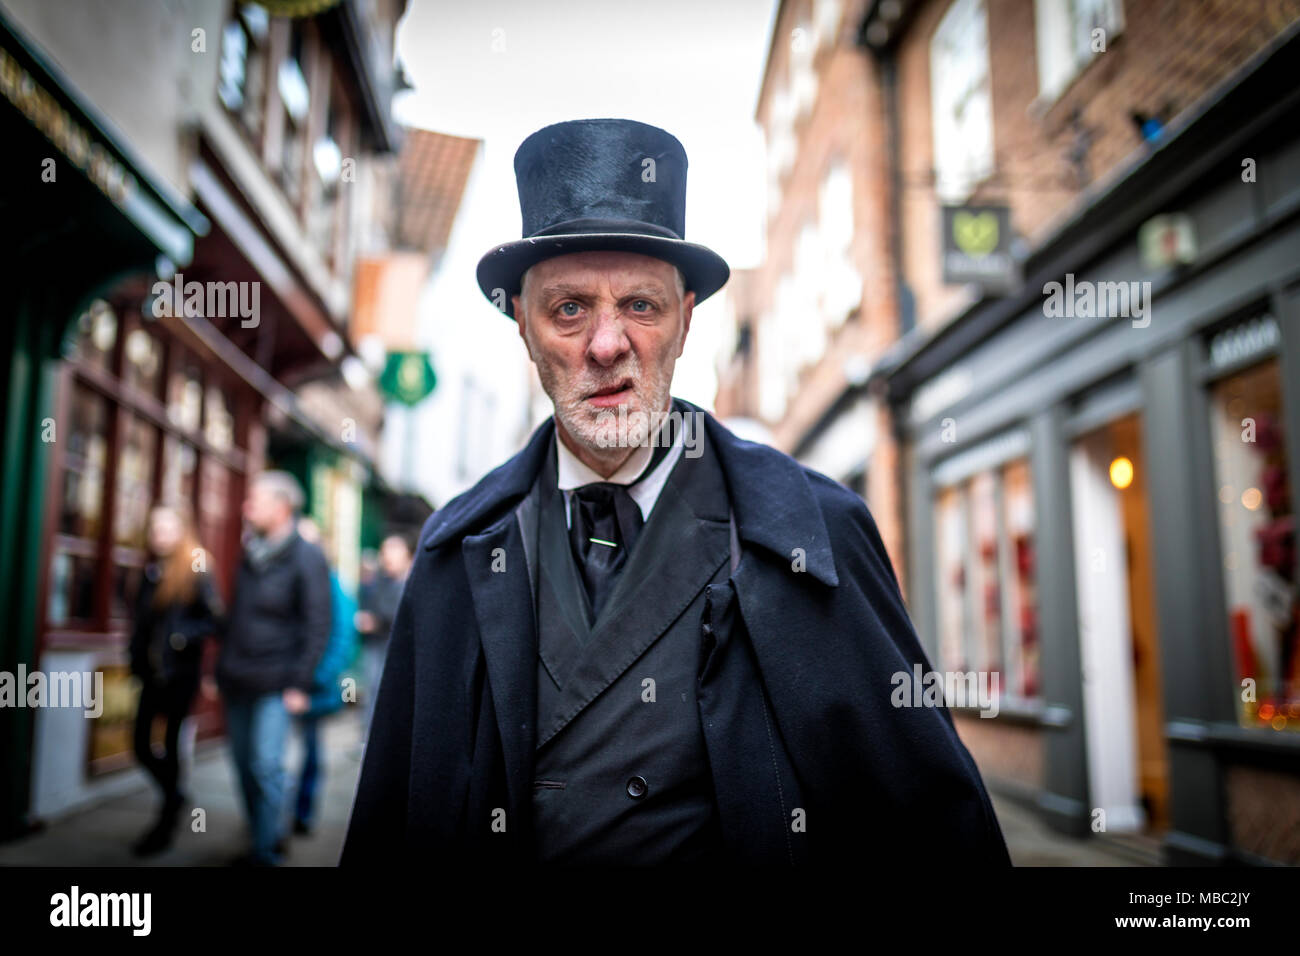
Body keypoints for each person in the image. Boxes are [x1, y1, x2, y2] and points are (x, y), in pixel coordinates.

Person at [341, 119, 1011, 865]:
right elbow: (393, 827)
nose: (606, 345)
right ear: (524, 330)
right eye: (568, 309)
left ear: (686, 322)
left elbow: (933, 828)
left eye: (640, 306)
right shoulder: (454, 554)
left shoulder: (810, 533)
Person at [218, 471, 331, 866]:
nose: (246, 508)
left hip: (278, 682)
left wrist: (300, 683)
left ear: (281, 508)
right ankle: (266, 832)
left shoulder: (308, 556)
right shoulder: (250, 552)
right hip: (238, 678)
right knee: (243, 767)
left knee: (266, 765)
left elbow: (318, 625)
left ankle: (267, 853)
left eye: (255, 501)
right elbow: (237, 618)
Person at [128, 502, 224, 856]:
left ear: (182, 530)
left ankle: (165, 823)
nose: (159, 535)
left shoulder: (197, 564)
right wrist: (134, 657)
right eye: (154, 529)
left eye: (167, 528)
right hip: (152, 674)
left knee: (170, 746)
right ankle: (176, 796)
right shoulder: (152, 568)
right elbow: (142, 622)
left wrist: (182, 636)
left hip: (180, 674)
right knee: (140, 744)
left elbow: (216, 619)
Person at [290, 517, 358, 836]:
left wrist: (316, 676)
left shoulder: (333, 585)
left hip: (312, 685)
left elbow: (343, 638)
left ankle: (301, 812)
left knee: (309, 751)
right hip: (282, 681)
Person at [354, 534, 411, 745]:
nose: (388, 556)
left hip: (397, 648)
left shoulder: (411, 582)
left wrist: (376, 621)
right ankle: (369, 739)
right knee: (371, 692)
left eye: (394, 550)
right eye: (386, 550)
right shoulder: (378, 581)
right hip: (375, 645)